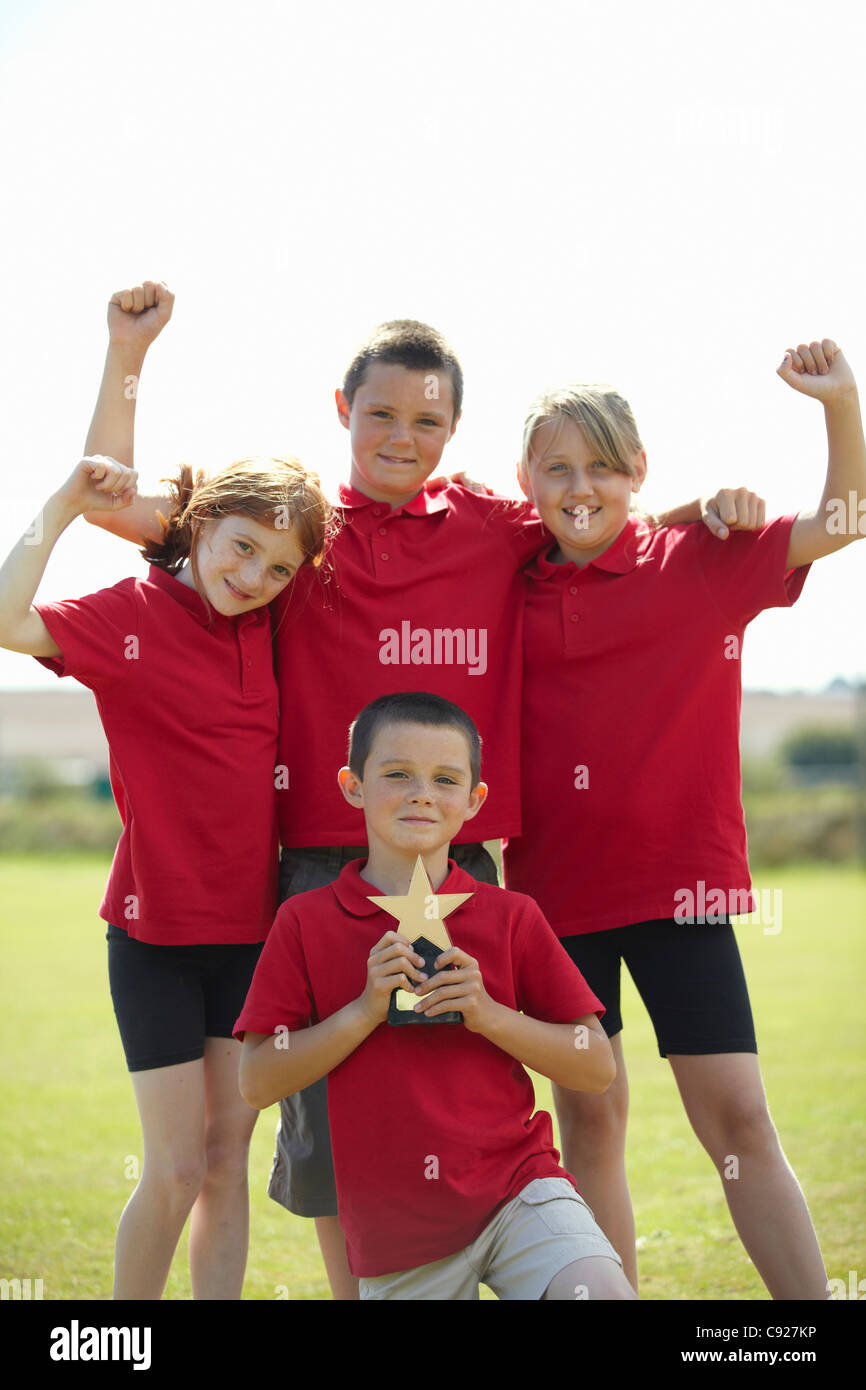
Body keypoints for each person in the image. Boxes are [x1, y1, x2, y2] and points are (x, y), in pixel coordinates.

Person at [83, 282, 758, 1297]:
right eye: (381, 414)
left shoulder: (491, 523)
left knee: (465, 1103)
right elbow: (103, 498)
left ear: (454, 429)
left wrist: (699, 514)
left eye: (427, 420)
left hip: (460, 857)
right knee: (330, 1131)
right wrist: (125, 350)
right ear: (340, 410)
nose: (403, 436)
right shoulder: (291, 527)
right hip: (320, 866)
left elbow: (591, 520)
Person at [503, 338, 865, 1298]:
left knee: (740, 1123)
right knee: (591, 1122)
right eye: (559, 468)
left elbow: (845, 518)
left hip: (682, 892)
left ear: (639, 469)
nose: (581, 486)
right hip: (553, 901)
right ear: (526, 478)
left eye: (603, 466)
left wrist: (837, 401)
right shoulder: (504, 589)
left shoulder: (705, 561)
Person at [0, 425, 332, 1298]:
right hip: (151, 943)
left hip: (249, 943)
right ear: (202, 525)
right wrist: (66, 504)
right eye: (242, 549)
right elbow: (5, 620)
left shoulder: (269, 623)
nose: (254, 578)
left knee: (227, 1165)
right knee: (177, 1169)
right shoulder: (125, 617)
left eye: (279, 568)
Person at [235, 691, 638, 1301]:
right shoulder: (304, 922)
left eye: (445, 779)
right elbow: (257, 1081)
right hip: (397, 1226)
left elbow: (594, 1064)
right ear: (353, 786)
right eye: (397, 774)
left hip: (518, 1187)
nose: (422, 792)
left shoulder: (513, 916)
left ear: (473, 801)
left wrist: (489, 1014)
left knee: (602, 1294)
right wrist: (363, 1010)